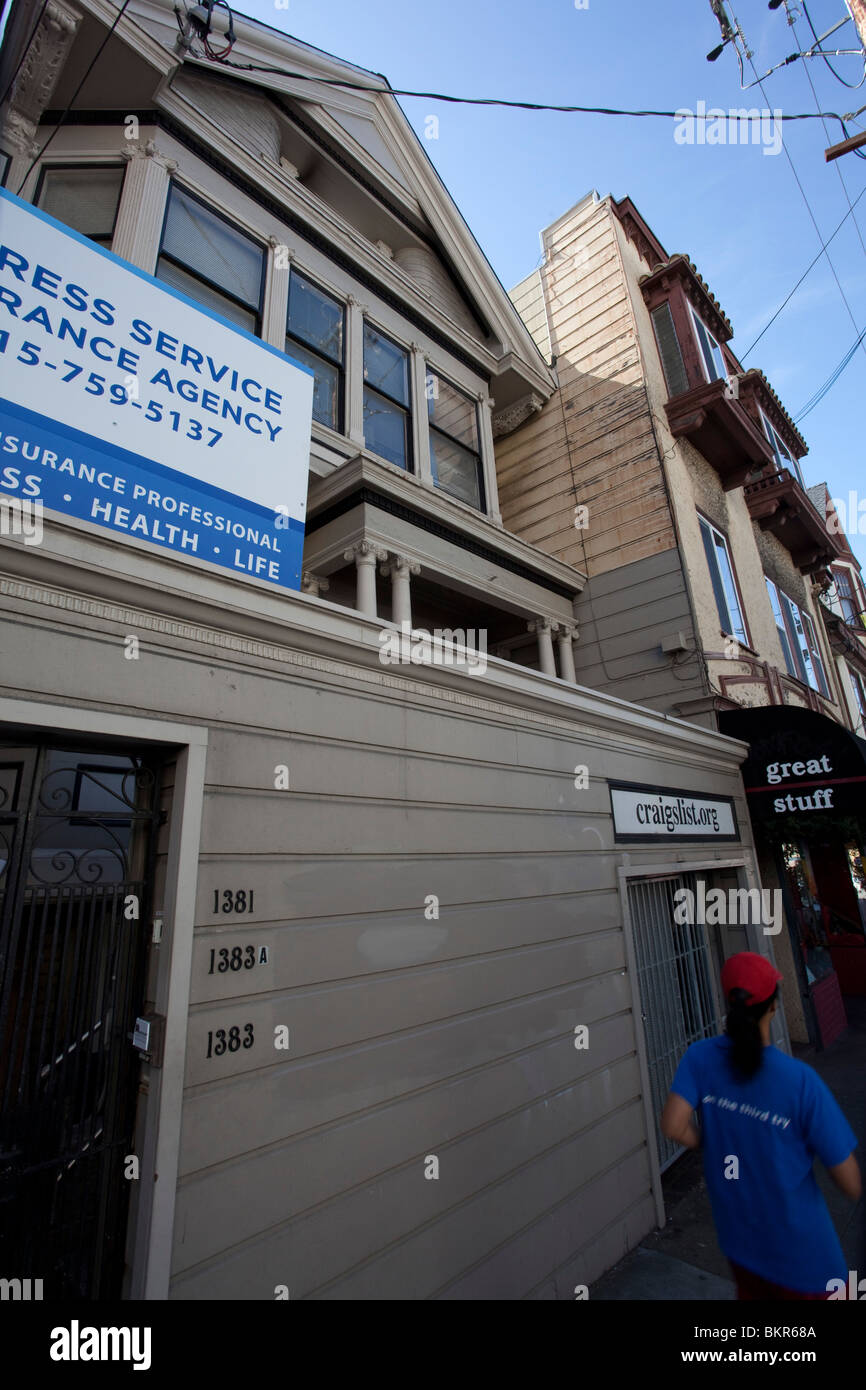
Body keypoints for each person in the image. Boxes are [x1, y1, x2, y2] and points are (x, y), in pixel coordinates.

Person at [660, 951, 861, 1300]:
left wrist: (713, 1142)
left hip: (740, 1248)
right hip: (810, 1263)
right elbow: (851, 1183)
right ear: (774, 1006)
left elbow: (673, 1125)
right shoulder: (801, 1081)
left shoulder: (699, 1057)